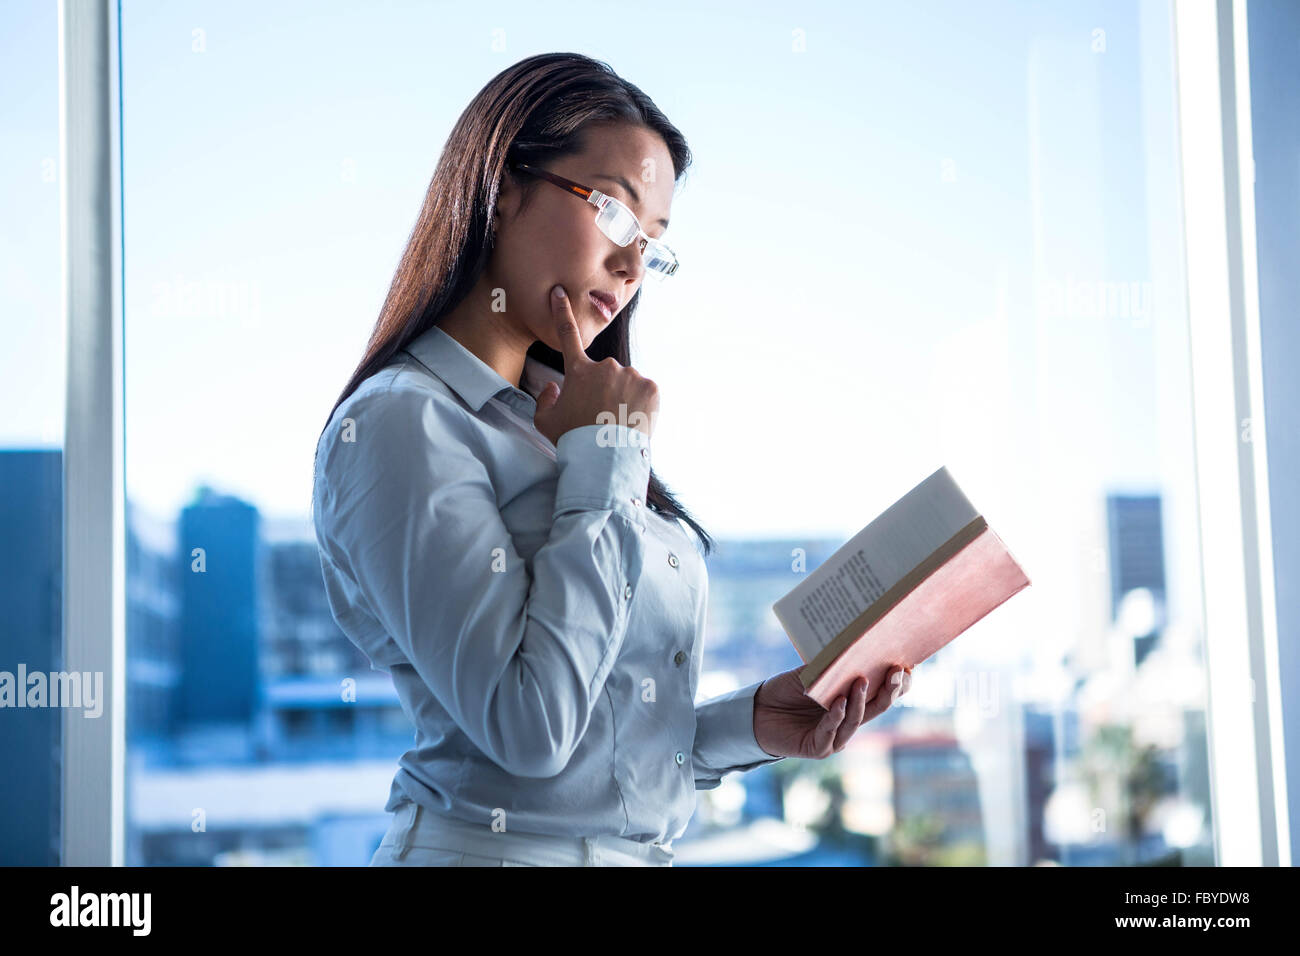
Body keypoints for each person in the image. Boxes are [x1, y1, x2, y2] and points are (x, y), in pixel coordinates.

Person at [311, 52, 911, 868]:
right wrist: (608, 459)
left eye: (655, 245)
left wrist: (755, 724)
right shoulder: (399, 425)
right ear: (504, 184)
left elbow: (597, 761)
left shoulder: (560, 424)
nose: (633, 268)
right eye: (618, 216)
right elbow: (530, 729)